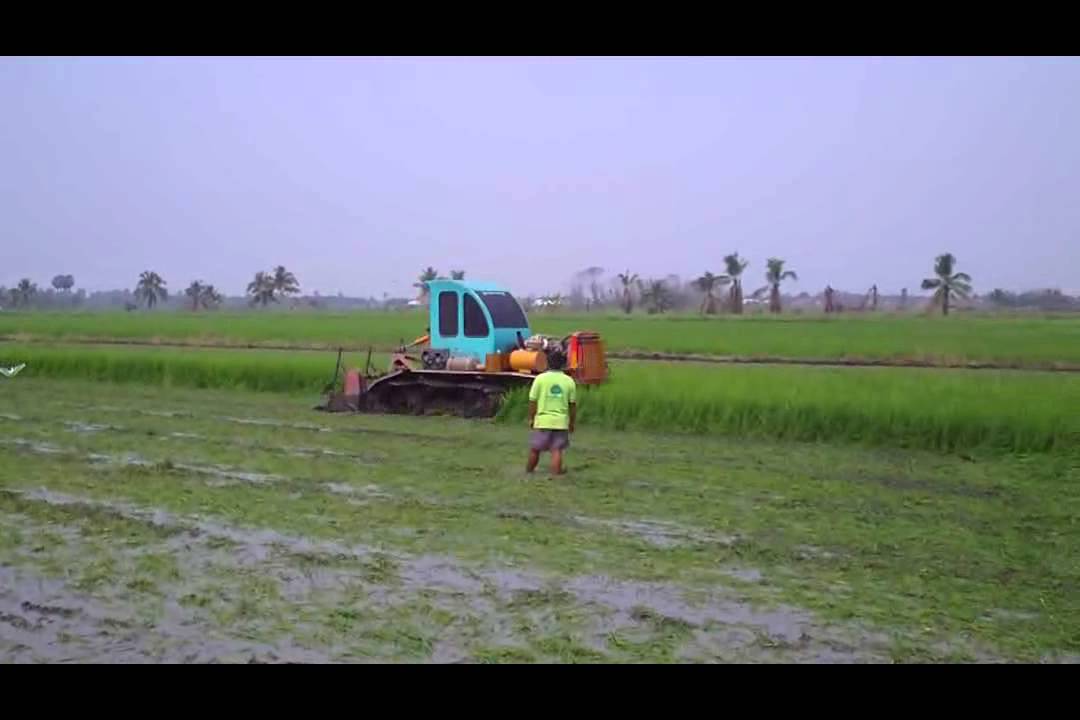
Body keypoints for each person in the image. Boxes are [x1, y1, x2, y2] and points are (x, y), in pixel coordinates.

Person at [526, 350, 577, 475]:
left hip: (543, 420)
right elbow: (572, 405)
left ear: (547, 363)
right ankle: (556, 474)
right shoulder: (569, 381)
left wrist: (532, 418)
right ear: (564, 364)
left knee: (535, 449)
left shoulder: (540, 379)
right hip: (561, 422)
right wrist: (571, 422)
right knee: (556, 449)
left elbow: (533, 402)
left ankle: (529, 472)